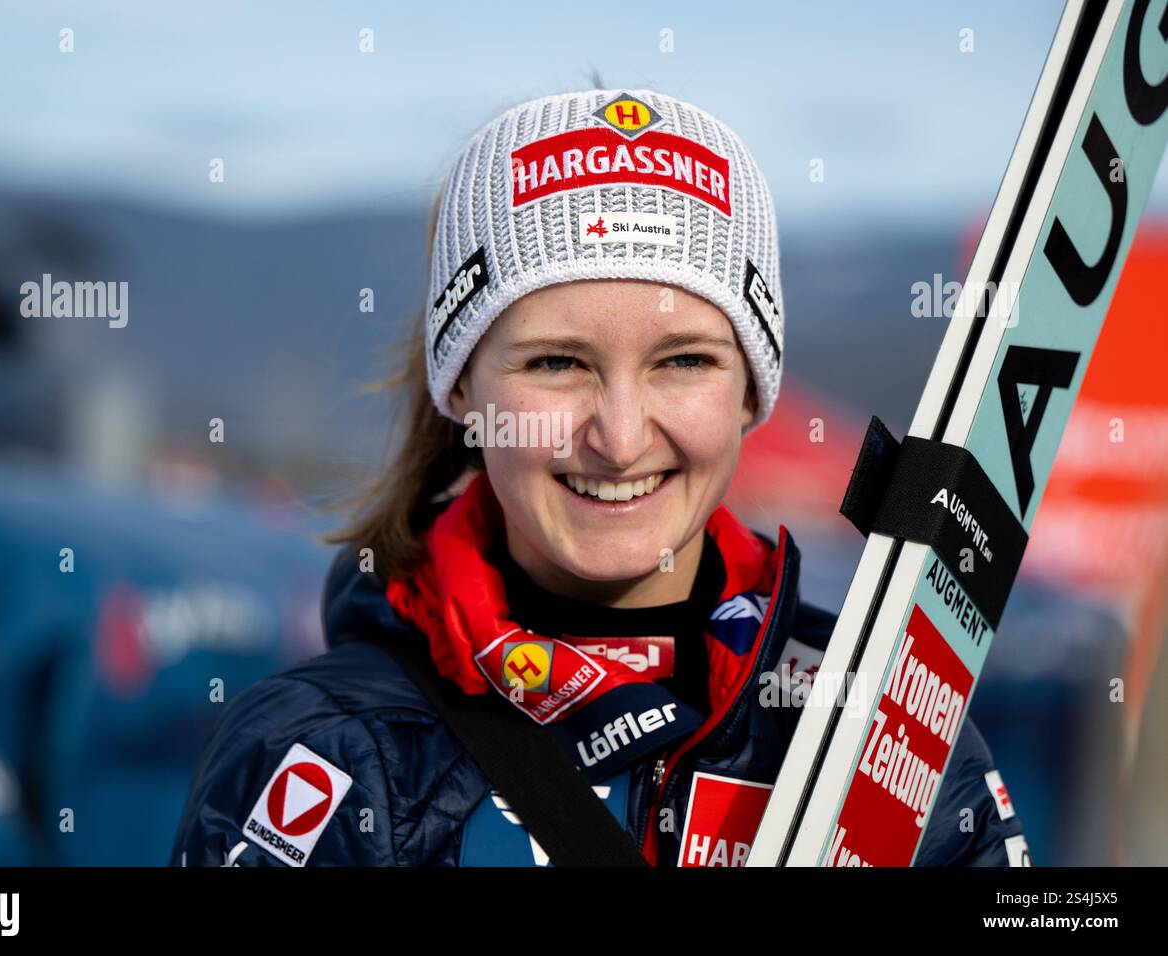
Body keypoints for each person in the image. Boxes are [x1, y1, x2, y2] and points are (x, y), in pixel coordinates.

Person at [170, 88, 1028, 867]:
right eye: (556, 363)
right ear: (463, 386)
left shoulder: (886, 734)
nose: (618, 440)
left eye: (683, 361)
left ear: (751, 392)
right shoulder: (331, 753)